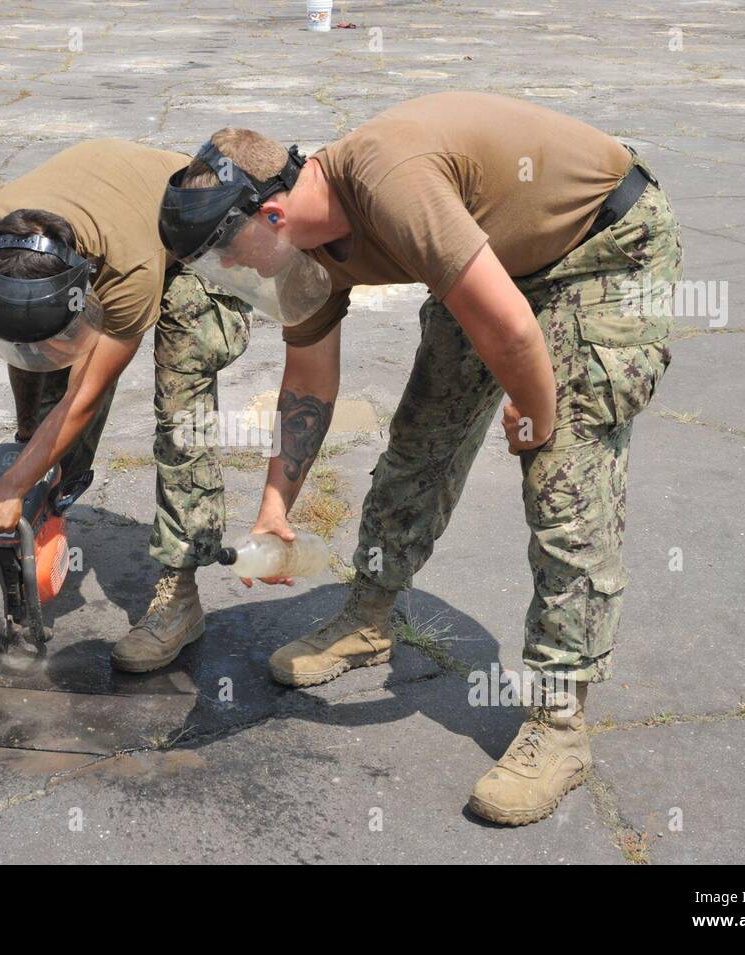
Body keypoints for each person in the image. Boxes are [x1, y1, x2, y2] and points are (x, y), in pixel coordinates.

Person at [159, 92, 682, 825]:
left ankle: (560, 723)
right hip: (495, 261)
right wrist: (275, 508)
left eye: (231, 256)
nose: (237, 274)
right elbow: (309, 382)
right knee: (419, 446)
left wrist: (533, 410)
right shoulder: (308, 245)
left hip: (601, 249)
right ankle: (369, 617)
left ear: (271, 216)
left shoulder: (389, 181)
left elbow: (512, 332)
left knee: (565, 479)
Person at [0, 139, 251, 673]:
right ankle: (32, 538)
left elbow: (86, 394)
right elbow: (26, 347)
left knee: (182, 404)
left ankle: (180, 594)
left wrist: (11, 487)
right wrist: (28, 446)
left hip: (196, 229)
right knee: (47, 375)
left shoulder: (129, 268)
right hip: (103, 224)